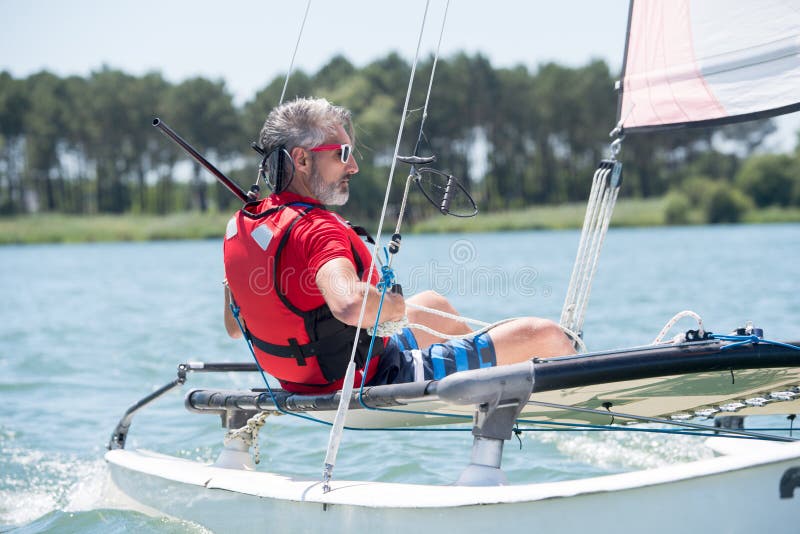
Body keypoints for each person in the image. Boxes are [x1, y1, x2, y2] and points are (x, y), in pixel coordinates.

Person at [223, 97, 575, 394]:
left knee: (435, 304)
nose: (354, 166)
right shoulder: (318, 231)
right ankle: (564, 401)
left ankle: (483, 385)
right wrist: (391, 306)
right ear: (301, 159)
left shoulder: (242, 225)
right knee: (545, 334)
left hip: (305, 377)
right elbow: (349, 304)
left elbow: (234, 326)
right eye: (343, 153)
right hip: (372, 378)